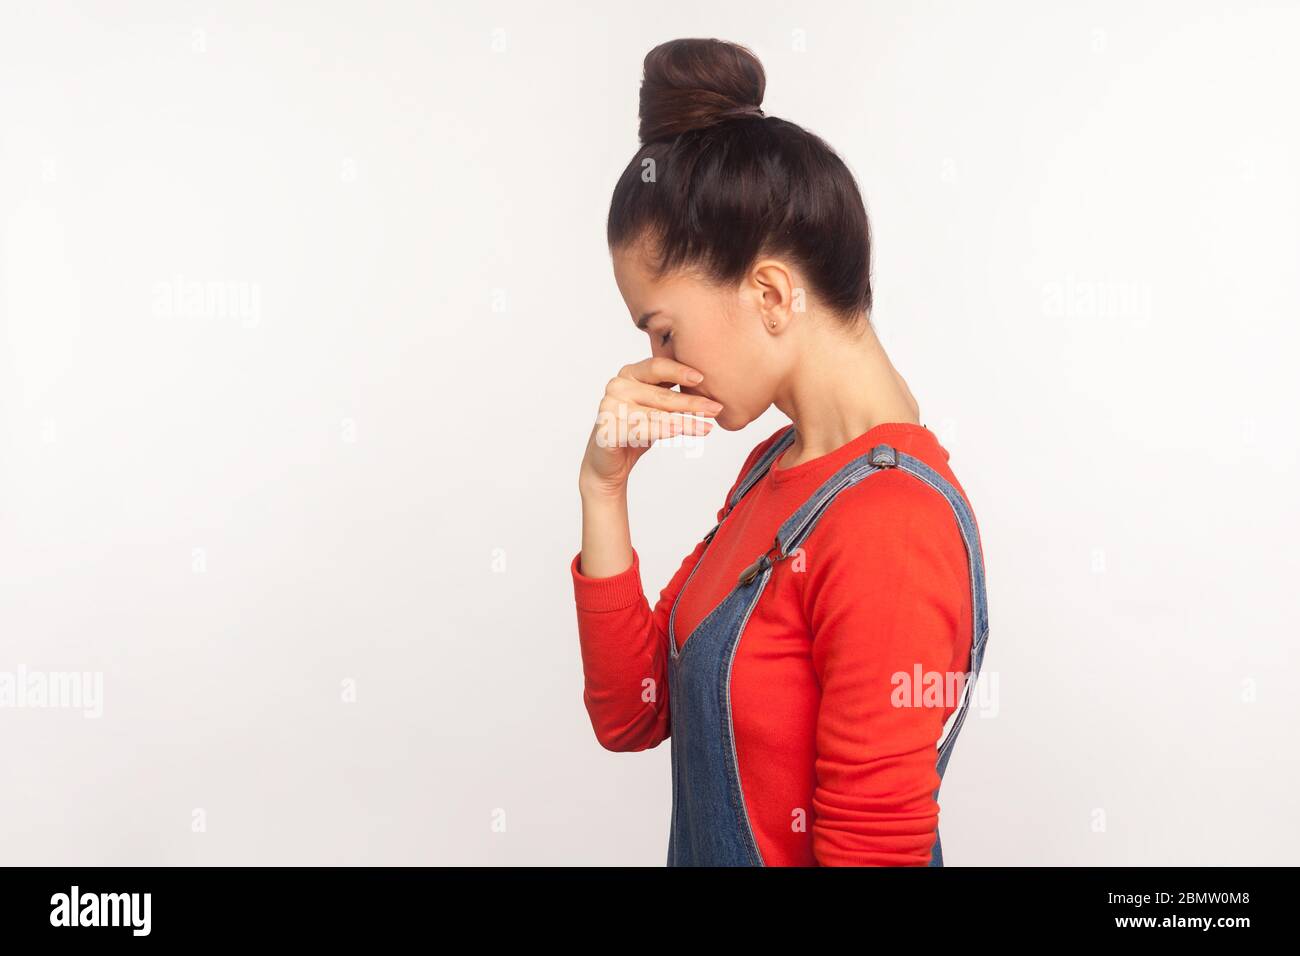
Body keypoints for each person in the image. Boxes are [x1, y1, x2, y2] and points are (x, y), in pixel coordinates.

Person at [571, 37, 989, 866]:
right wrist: (603, 487)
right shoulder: (777, 467)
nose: (660, 363)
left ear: (768, 293)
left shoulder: (891, 527)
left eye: (663, 328)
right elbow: (635, 711)